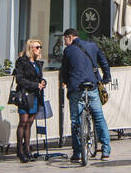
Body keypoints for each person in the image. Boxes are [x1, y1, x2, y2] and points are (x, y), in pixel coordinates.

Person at [59, 27, 112, 162]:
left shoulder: (68, 50)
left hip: (76, 88)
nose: (65, 43)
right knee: (99, 118)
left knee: (76, 121)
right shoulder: (92, 46)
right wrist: (106, 78)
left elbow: (64, 70)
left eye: (65, 39)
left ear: (70, 37)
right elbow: (104, 62)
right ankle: (106, 150)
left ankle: (77, 153)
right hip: (92, 85)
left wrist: (64, 81)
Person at [13, 38, 46, 163]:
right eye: (37, 47)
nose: (39, 49)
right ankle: (19, 149)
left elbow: (39, 78)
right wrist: (35, 85)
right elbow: (20, 79)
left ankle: (27, 148)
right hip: (25, 94)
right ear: (30, 49)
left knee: (30, 122)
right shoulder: (22, 61)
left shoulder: (37, 63)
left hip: (35, 95)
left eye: (40, 47)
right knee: (23, 121)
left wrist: (42, 83)